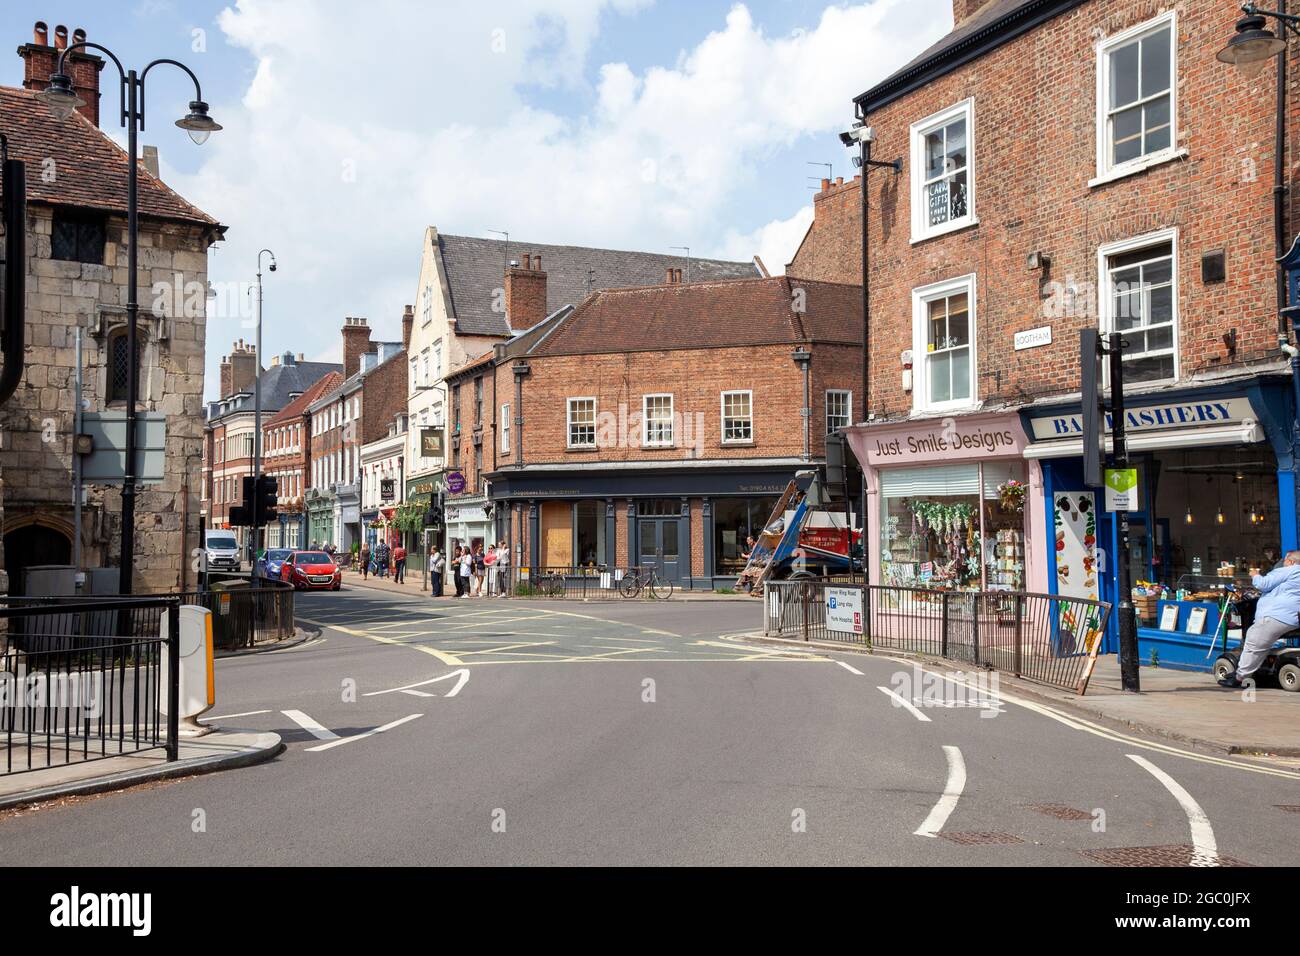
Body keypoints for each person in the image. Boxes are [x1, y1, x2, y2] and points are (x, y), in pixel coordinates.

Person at [1220, 550, 1300, 689]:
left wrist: (1255, 575)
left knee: (1254, 642)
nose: (1283, 564)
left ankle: (1240, 677)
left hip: (1276, 616)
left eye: (1285, 561)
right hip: (1291, 617)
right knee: (1258, 641)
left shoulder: (1291, 570)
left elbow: (1263, 584)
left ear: (1291, 562)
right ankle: (1243, 672)